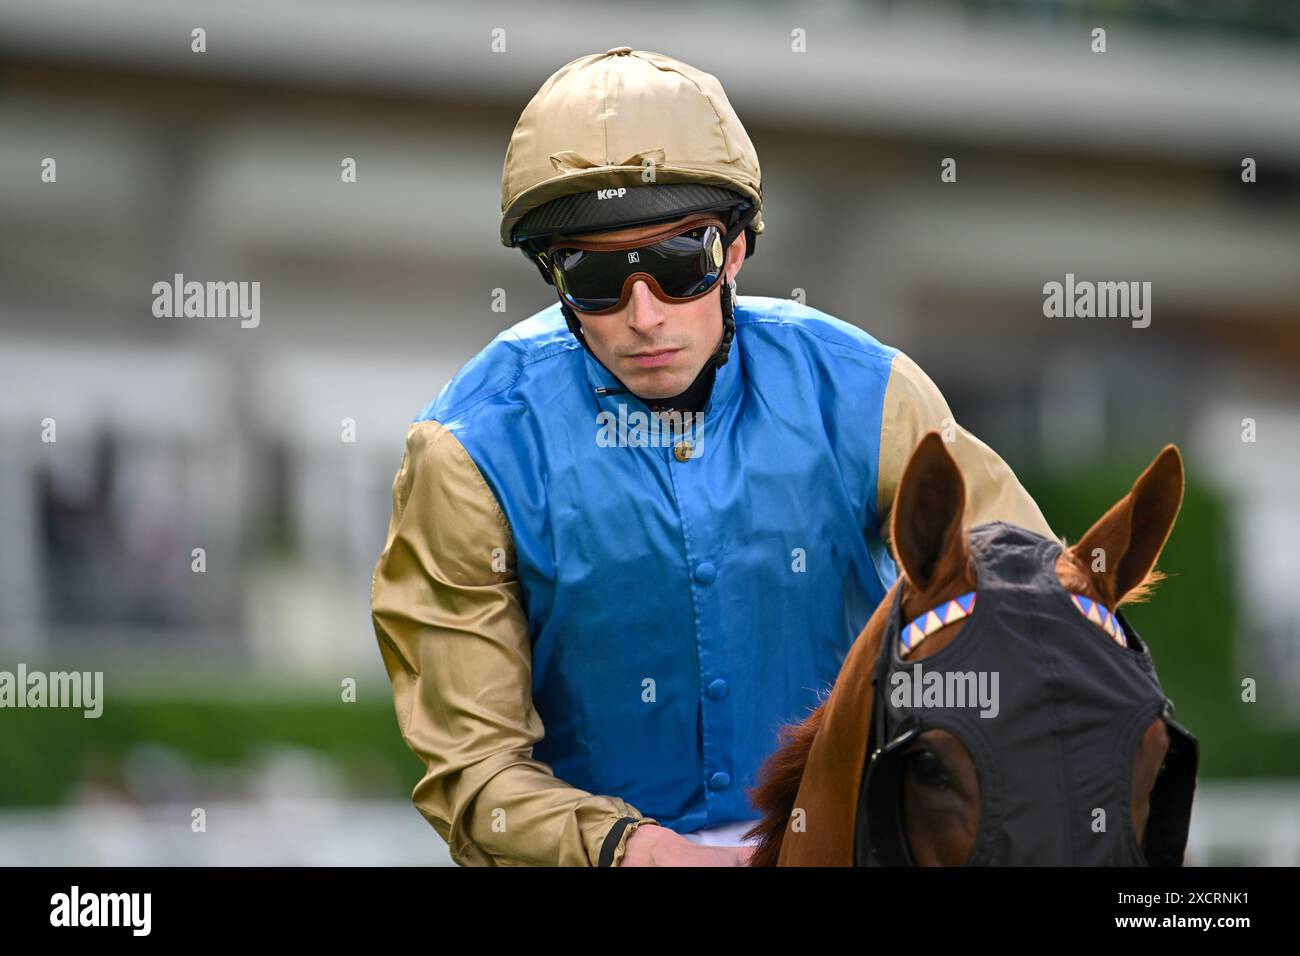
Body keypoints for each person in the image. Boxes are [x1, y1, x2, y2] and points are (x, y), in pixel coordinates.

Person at [370, 47, 1056, 867]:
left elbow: (1037, 611)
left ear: (734, 252)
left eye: (678, 263)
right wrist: (641, 852)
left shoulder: (870, 395)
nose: (645, 314)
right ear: (552, 276)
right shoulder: (465, 453)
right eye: (596, 276)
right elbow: (474, 773)